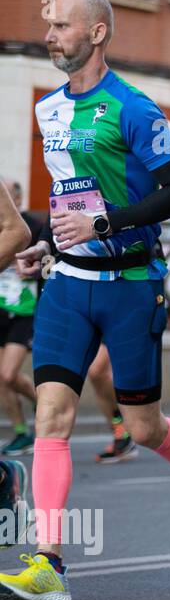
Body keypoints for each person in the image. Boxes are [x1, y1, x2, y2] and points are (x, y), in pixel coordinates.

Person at [0, 0, 170, 600]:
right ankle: (47, 562)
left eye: (61, 26)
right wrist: (46, 240)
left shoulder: (135, 109)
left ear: (98, 33)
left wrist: (107, 225)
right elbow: (72, 196)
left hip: (133, 285)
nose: (49, 35)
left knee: (142, 425)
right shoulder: (49, 108)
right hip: (67, 284)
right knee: (54, 415)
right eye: (47, 24)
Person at [0, 180, 42, 457]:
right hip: (1, 309)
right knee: (1, 379)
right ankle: (20, 432)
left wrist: (35, 267)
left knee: (8, 373)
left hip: (25, 311)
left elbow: (51, 261)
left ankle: (48, 406)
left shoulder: (29, 226)